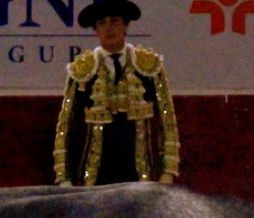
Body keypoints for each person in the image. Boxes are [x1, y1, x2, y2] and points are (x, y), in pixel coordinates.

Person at [53, 0, 181, 186]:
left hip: (140, 169)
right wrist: (64, 176)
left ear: (126, 25)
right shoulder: (82, 69)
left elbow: (167, 120)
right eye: (101, 23)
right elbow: (66, 126)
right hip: (95, 172)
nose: (108, 28)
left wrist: (167, 171)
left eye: (114, 21)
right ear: (95, 30)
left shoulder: (149, 65)